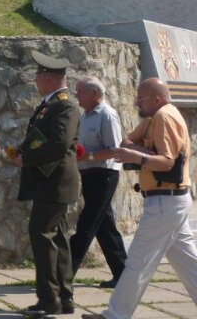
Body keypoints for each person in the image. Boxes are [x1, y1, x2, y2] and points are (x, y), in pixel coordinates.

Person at [82, 78, 197, 319]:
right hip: (170, 200)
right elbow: (126, 142)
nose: (136, 102)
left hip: (165, 199)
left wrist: (138, 156)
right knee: (188, 262)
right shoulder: (154, 118)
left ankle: (115, 315)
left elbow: (167, 162)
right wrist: (140, 151)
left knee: (137, 261)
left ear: (157, 99)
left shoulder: (164, 117)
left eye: (141, 98)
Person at [9, 50, 80, 317]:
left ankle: (49, 301)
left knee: (43, 237)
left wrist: (27, 159)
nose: (36, 80)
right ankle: (63, 298)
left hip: (55, 183)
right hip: (50, 183)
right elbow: (41, 137)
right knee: (57, 239)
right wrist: (20, 151)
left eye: (38, 75)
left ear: (49, 78)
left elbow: (60, 144)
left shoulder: (65, 105)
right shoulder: (51, 104)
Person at [69, 76, 127, 288]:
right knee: (104, 226)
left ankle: (63, 275)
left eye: (80, 92)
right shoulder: (86, 116)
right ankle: (123, 273)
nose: (77, 96)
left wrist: (89, 157)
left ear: (95, 93)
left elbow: (114, 149)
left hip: (104, 175)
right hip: (89, 175)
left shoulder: (107, 115)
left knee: (87, 224)